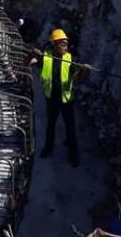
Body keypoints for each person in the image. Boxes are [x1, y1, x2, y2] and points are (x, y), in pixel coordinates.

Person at [30, 28, 90, 167]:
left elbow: (75, 77)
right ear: (54, 44)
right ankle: (48, 147)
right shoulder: (47, 58)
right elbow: (29, 62)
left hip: (66, 99)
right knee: (51, 125)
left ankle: (73, 153)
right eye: (62, 44)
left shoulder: (70, 59)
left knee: (70, 127)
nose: (65, 46)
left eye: (66, 44)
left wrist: (83, 71)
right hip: (51, 98)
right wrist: (33, 55)